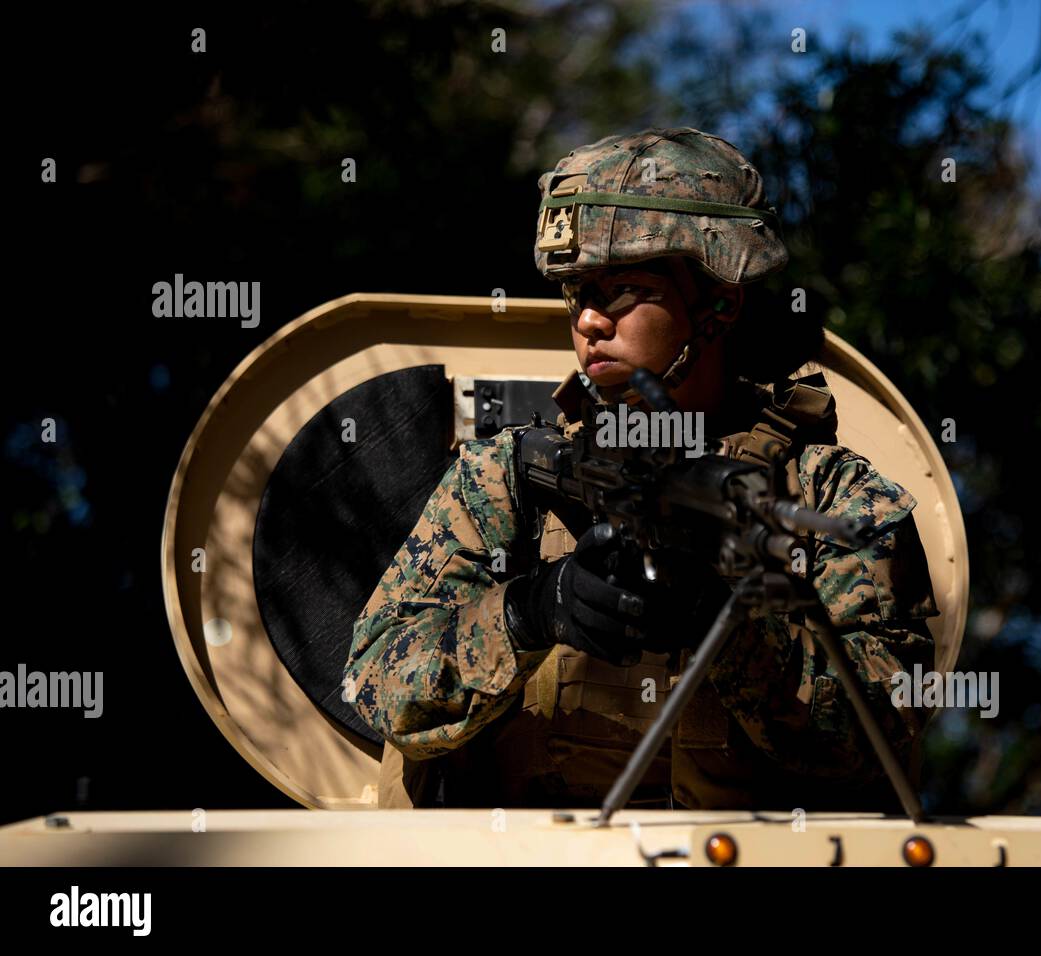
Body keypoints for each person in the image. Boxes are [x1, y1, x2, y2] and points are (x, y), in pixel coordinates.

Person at [344, 127, 940, 811]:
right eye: (577, 291)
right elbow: (377, 689)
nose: (590, 320)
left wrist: (735, 632)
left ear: (720, 303)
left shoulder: (833, 496)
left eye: (625, 288)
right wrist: (533, 610)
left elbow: (883, 727)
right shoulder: (508, 478)